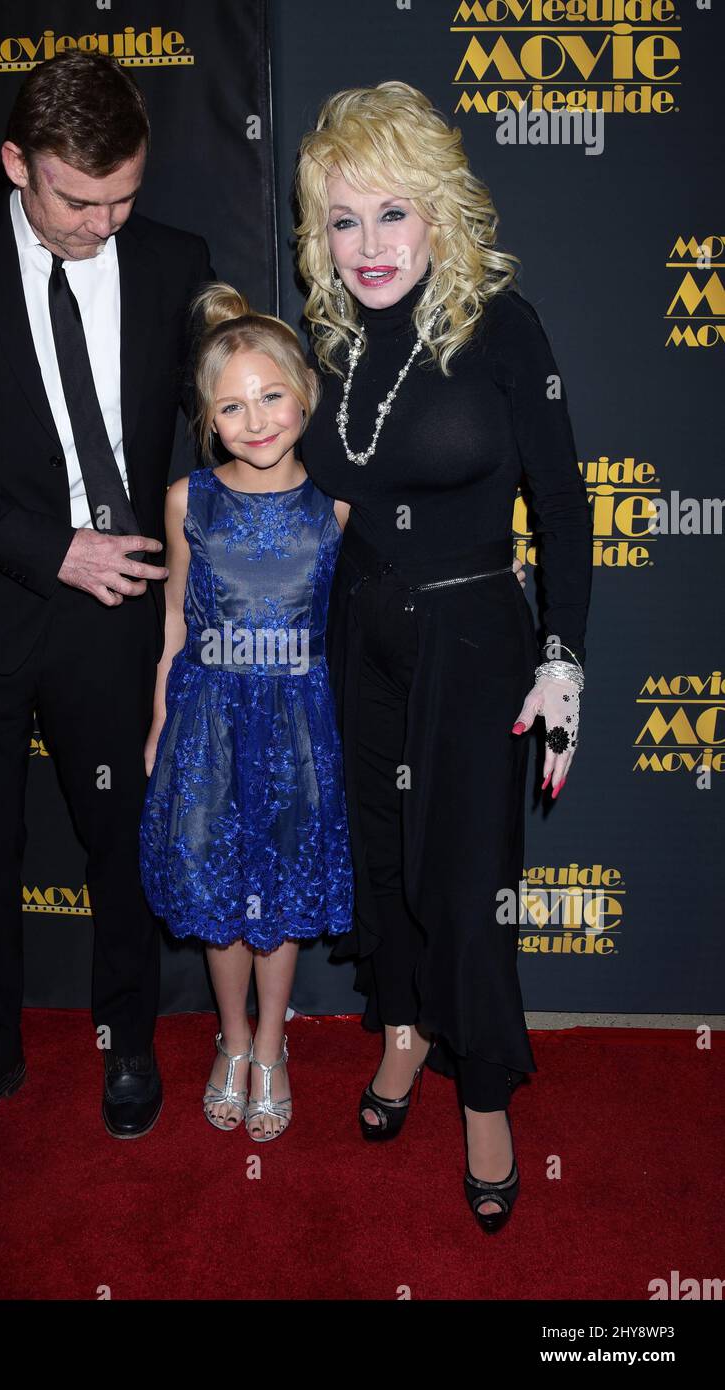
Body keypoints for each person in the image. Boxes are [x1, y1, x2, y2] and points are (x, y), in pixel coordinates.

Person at [0, 50, 215, 1161]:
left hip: (118, 606)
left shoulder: (175, 263)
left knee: (122, 842)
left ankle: (128, 1043)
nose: (100, 225)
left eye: (123, 198)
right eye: (76, 199)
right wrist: (50, 548)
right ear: (17, 162)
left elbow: (223, 430)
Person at [294, 81, 593, 1229]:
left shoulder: (500, 324)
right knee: (386, 864)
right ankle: (406, 1030)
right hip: (357, 637)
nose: (367, 246)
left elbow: (562, 510)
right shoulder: (324, 336)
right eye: (341, 219)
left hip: (474, 644)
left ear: (440, 214)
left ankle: (482, 1093)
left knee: (465, 889)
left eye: (392, 214)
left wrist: (561, 659)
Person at [138, 283, 355, 1141]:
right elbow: (171, 623)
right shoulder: (188, 499)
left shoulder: (337, 505)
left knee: (282, 891)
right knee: (218, 891)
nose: (256, 420)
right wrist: (160, 721)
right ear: (208, 418)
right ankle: (230, 1040)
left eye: (271, 396)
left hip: (299, 721)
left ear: (304, 391)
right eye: (232, 406)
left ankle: (273, 1044)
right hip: (209, 719)